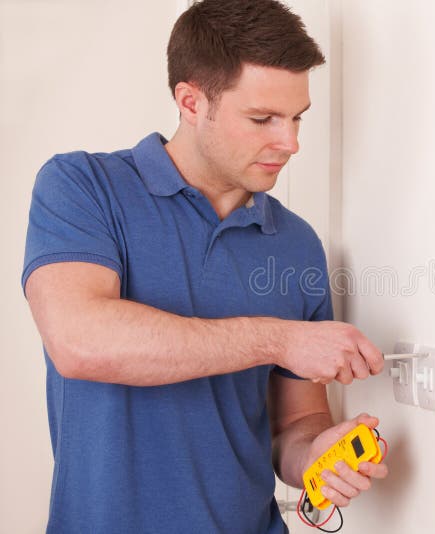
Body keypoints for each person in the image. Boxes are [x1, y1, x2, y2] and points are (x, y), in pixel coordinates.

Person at [21, 1, 388, 532]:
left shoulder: (297, 246)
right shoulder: (83, 188)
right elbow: (79, 341)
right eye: (262, 119)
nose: (290, 143)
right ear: (191, 102)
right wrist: (278, 339)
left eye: (297, 117)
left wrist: (315, 453)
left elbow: (296, 423)